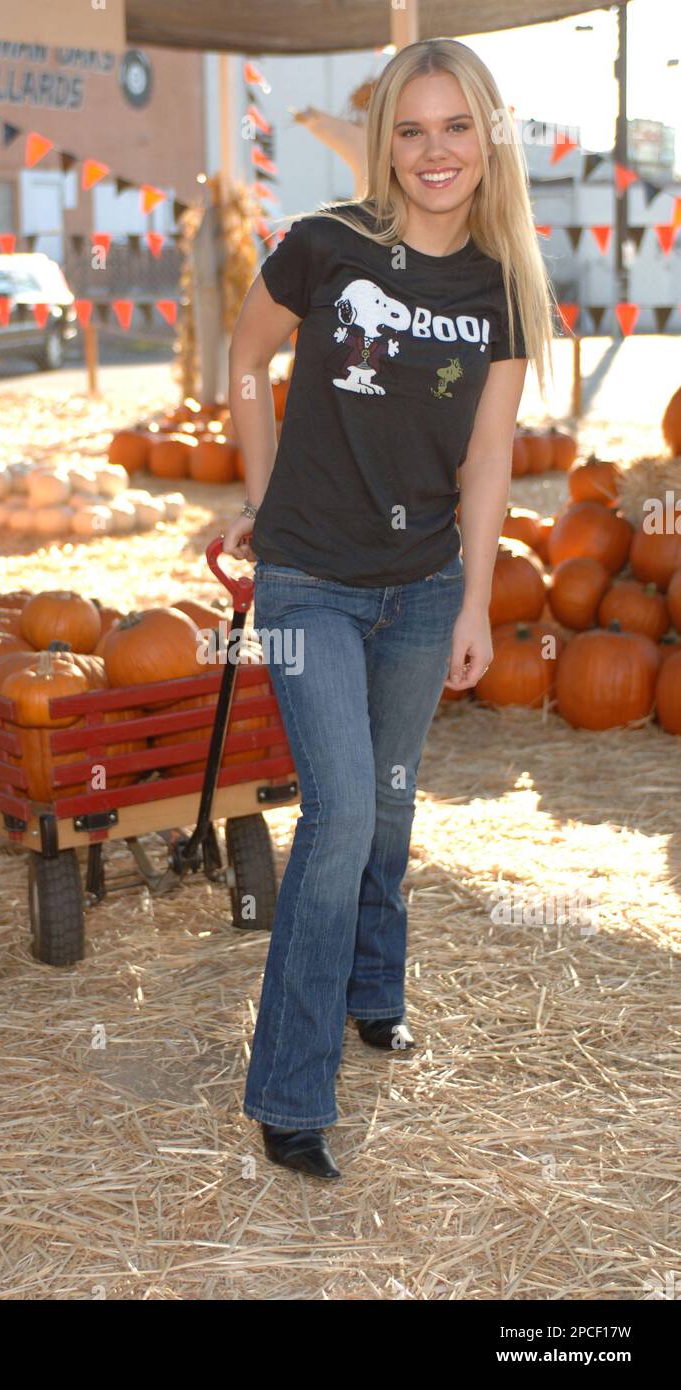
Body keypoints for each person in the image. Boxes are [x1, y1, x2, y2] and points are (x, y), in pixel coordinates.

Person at [225, 38, 556, 1181]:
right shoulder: (323, 247)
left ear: (485, 140)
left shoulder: (501, 285)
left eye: (454, 127)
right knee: (339, 813)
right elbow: (245, 355)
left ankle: (376, 989)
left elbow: (487, 458)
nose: (433, 151)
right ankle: (289, 1094)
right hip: (308, 580)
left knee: (389, 812)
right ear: (385, 143)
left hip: (419, 592)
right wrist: (263, 506)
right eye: (410, 129)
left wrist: (472, 601)